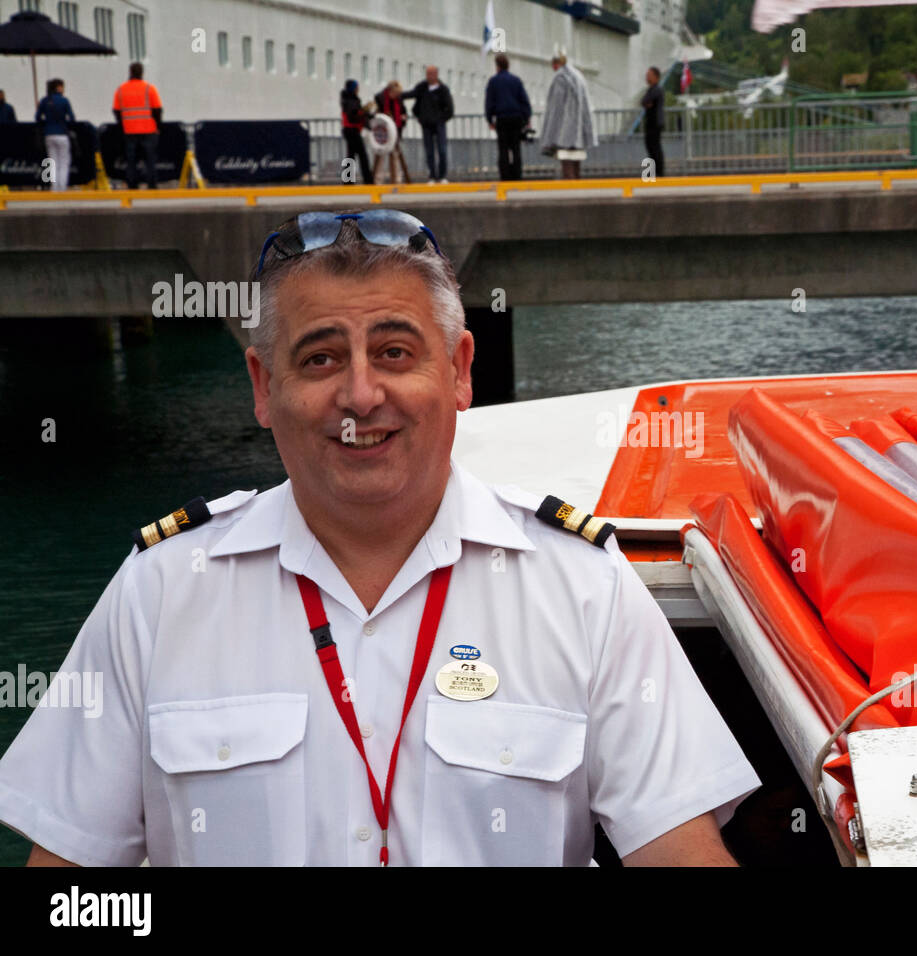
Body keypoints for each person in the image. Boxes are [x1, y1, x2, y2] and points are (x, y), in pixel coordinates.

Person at [0, 208, 761, 867]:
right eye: (321, 358)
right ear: (265, 387)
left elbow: (677, 849)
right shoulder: (159, 593)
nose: (360, 396)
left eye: (395, 352)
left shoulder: (585, 589)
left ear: (460, 372)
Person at [539, 54, 597, 180]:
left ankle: (570, 188)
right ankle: (577, 185)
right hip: (578, 129)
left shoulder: (560, 77)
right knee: (576, 159)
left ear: (555, 64)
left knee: (566, 160)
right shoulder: (578, 76)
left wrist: (551, 133)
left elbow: (556, 106)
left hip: (565, 128)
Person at [112, 62, 162, 189]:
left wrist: (122, 125)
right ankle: (152, 185)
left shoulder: (121, 89)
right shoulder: (149, 89)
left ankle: (132, 185)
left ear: (130, 72)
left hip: (129, 130)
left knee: (131, 160)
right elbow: (157, 110)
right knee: (150, 160)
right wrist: (158, 127)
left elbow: (116, 111)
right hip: (148, 129)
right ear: (142, 73)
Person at [402, 66, 455, 183]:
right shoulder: (422, 87)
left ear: (436, 74)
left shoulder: (443, 89)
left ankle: (442, 176)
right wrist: (420, 117)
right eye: (427, 74)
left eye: (431, 74)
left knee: (442, 150)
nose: (429, 76)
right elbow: (412, 96)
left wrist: (442, 119)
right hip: (426, 124)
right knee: (429, 151)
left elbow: (450, 108)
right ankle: (432, 175)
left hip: (439, 124)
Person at [484, 53, 530, 181]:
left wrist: (490, 119)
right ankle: (517, 175)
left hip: (502, 119)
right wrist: (527, 118)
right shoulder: (516, 80)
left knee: (503, 148)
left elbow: (489, 102)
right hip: (516, 118)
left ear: (497, 66)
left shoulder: (493, 81)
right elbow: (524, 101)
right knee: (516, 148)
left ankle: (505, 176)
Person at [35, 79, 75, 191]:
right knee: (64, 162)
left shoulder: (44, 101)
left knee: (52, 161)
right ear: (58, 87)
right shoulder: (64, 101)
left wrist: (46, 123)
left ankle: (54, 187)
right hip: (62, 133)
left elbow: (37, 117)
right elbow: (72, 117)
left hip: (49, 134)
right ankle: (62, 187)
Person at [373, 80, 411, 184]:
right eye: (395, 93)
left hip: (395, 131)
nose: (396, 95)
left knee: (395, 155)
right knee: (381, 155)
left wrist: (403, 118)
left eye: (398, 94)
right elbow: (376, 115)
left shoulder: (398, 100)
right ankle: (377, 180)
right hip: (383, 132)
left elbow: (403, 112)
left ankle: (397, 180)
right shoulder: (379, 99)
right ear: (390, 91)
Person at [340, 79, 373, 185]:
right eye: (357, 87)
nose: (358, 89)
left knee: (351, 155)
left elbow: (356, 113)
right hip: (352, 129)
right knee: (362, 155)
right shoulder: (351, 100)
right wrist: (364, 112)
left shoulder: (348, 99)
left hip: (350, 129)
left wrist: (365, 113)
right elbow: (354, 115)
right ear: (353, 88)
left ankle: (348, 180)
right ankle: (367, 180)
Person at [641, 66, 666, 179]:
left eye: (649, 75)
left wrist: (648, 103)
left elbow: (646, 101)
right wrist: (647, 103)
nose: (647, 77)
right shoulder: (651, 89)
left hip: (655, 122)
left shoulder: (656, 89)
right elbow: (644, 101)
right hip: (651, 122)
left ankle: (659, 172)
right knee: (650, 147)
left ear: (656, 77)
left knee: (654, 147)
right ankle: (652, 172)